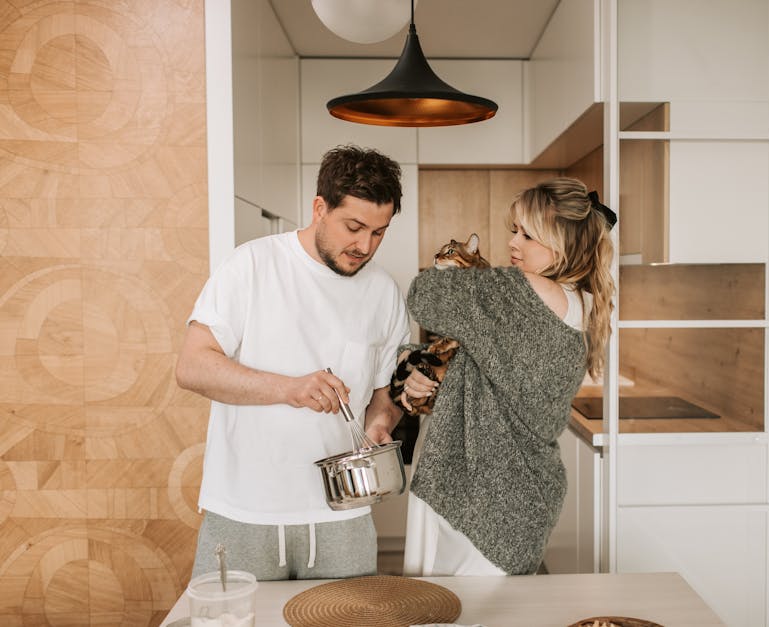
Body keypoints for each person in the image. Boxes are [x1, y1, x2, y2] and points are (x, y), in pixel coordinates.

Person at [175, 145, 410, 580]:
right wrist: (289, 388)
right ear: (320, 207)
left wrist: (380, 424)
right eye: (354, 227)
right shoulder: (251, 265)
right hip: (244, 511)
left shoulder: (383, 292)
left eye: (379, 232)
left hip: (344, 516)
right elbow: (192, 366)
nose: (365, 246)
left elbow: (384, 392)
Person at [397, 177, 616, 576]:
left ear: (562, 243)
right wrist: (432, 376)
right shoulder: (578, 302)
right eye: (514, 231)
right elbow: (498, 377)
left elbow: (424, 295)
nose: (513, 243)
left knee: (448, 611)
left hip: (478, 499)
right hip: (517, 500)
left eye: (527, 235)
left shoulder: (527, 291)